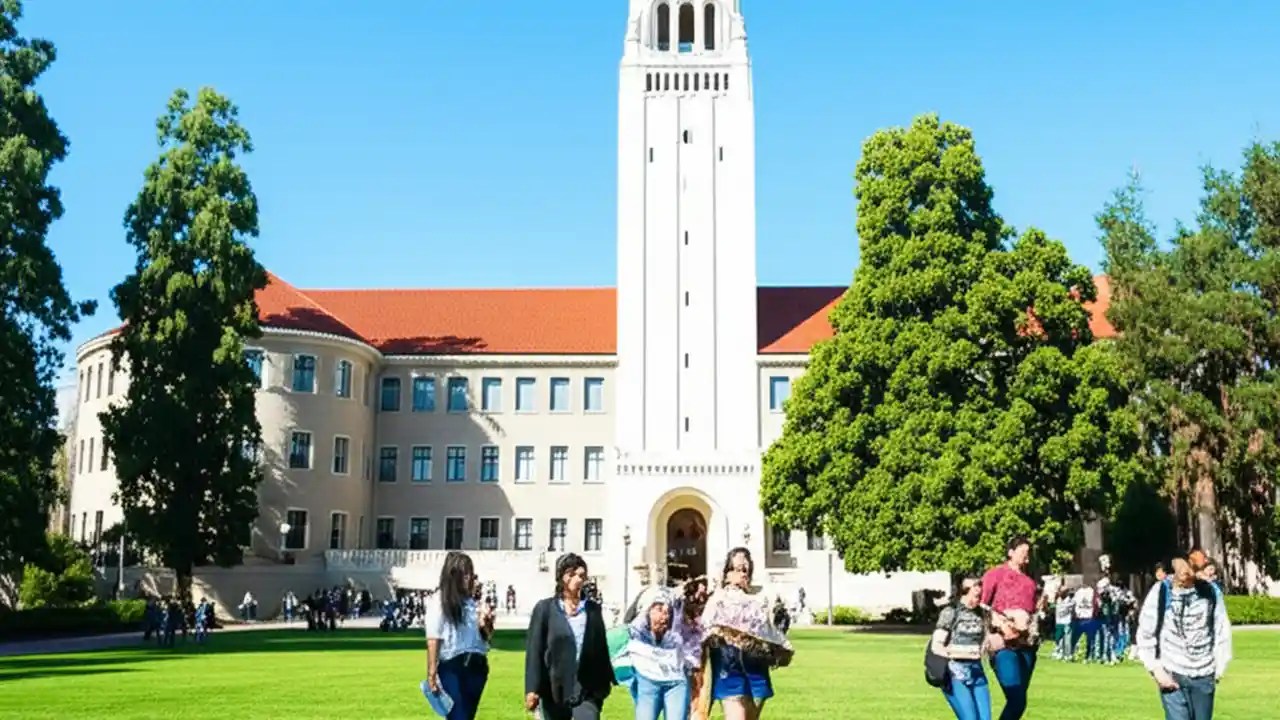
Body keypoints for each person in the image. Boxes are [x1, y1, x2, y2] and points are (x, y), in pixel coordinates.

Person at [699, 548, 793, 720]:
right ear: (726, 574)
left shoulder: (759, 600)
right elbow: (704, 631)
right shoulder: (718, 600)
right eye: (737, 569)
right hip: (729, 667)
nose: (742, 574)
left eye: (745, 570)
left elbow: (772, 633)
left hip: (756, 669)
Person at [1135, 556, 1232, 720]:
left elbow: (1222, 629)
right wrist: (1156, 670)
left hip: (1204, 674)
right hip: (1172, 674)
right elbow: (1146, 632)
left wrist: (1219, 666)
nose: (1184, 573)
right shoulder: (1161, 591)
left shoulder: (1210, 592)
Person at [525, 553, 615, 719]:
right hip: (554, 687)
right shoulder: (545, 609)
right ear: (561, 577)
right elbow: (535, 650)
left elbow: (601, 647)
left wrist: (605, 682)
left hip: (587, 687)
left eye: (581, 575)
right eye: (571, 574)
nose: (578, 579)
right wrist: (532, 689)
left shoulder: (593, 610)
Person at [425, 552, 493, 720]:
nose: (469, 578)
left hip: (477, 664)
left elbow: (485, 638)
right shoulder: (439, 601)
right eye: (465, 573)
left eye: (471, 573)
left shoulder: (471, 603)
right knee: (459, 716)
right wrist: (432, 672)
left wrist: (486, 624)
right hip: (453, 665)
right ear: (453, 575)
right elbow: (434, 637)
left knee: (467, 715)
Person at [980, 536, 1039, 720]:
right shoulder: (995, 575)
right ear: (1011, 552)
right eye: (1022, 553)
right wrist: (1000, 623)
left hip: (1026, 646)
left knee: (1020, 701)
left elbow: (1033, 612)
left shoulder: (1030, 583)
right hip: (1003, 645)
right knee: (1016, 699)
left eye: (1028, 554)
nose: (1026, 558)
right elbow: (982, 606)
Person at [931, 578, 992, 720]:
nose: (978, 598)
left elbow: (986, 638)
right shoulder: (951, 612)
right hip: (955, 671)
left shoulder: (982, 613)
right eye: (975, 594)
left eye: (980, 594)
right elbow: (937, 646)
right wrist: (963, 652)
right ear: (964, 592)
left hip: (977, 671)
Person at [628, 589, 692, 720]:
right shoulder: (634, 633)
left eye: (668, 612)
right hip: (647, 680)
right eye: (659, 609)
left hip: (676, 680)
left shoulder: (679, 634)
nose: (665, 616)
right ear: (647, 610)